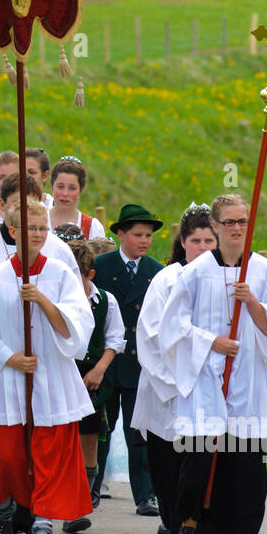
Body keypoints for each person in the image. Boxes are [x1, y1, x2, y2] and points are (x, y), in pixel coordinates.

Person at [0, 198, 96, 534]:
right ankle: (2, 516)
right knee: (4, 457)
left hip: (51, 381)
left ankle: (43, 530)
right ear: (13, 231)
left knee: (48, 457)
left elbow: (78, 329)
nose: (37, 234)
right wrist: (9, 357)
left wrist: (43, 301)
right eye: (30, 228)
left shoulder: (62, 274)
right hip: (8, 381)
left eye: (42, 228)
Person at [159, 193, 267, 534]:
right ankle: (189, 524)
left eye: (242, 222)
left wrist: (252, 303)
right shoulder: (196, 272)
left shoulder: (264, 273)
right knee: (199, 455)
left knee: (247, 462)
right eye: (229, 222)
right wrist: (210, 341)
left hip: (246, 379)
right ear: (215, 227)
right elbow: (172, 326)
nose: (236, 229)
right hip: (205, 376)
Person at [129, 203, 216, 534]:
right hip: (167, 387)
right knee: (166, 459)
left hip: (206, 387)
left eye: (211, 241)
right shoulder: (167, 279)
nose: (204, 248)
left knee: (199, 458)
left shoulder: (223, 279)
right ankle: (172, 517)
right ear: (183, 242)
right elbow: (150, 335)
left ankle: (196, 520)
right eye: (197, 241)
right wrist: (175, 382)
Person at [92, 203, 165, 516]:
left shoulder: (156, 272)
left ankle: (146, 494)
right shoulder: (100, 267)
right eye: (137, 234)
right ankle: (90, 487)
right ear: (120, 234)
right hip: (105, 363)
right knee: (99, 428)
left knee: (139, 432)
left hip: (139, 364)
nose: (144, 240)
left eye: (148, 235)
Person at [61, 239, 125, 534]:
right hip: (63, 375)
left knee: (89, 436)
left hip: (92, 377)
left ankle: (85, 496)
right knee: (62, 438)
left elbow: (115, 340)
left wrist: (99, 369)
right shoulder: (58, 300)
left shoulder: (105, 301)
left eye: (78, 275)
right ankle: (66, 501)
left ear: (90, 275)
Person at [47, 156, 106, 239]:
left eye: (72, 188)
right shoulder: (37, 222)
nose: (65, 193)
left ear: (80, 190)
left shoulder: (92, 227)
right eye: (60, 186)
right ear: (52, 186)